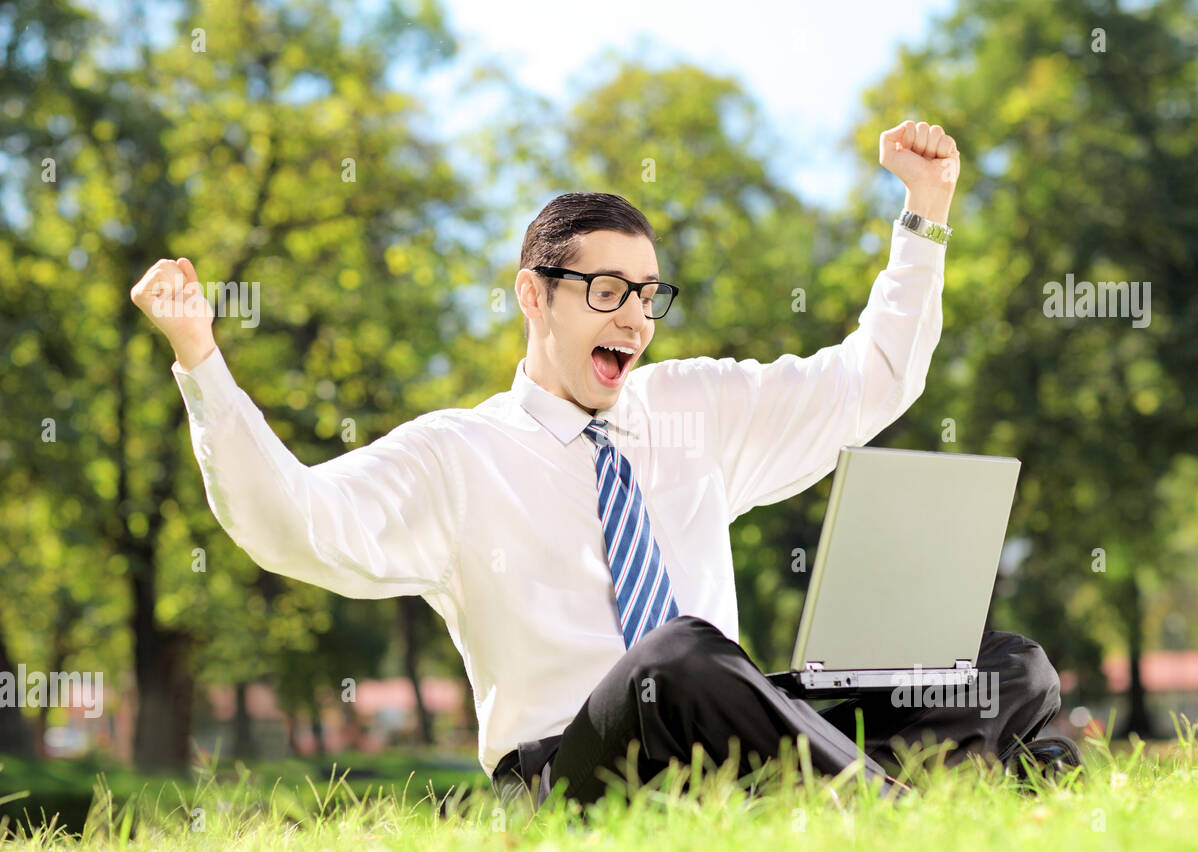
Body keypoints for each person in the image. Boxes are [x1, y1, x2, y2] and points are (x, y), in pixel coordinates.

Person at [130, 119, 1076, 815]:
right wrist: (200, 363)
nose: (634, 318)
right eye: (606, 291)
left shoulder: (691, 407)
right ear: (533, 296)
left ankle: (1035, 817)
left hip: (723, 734)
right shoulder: (456, 455)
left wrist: (927, 212)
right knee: (677, 656)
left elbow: (868, 380)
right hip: (565, 775)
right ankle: (894, 819)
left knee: (1007, 670)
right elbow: (292, 522)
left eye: (649, 295)